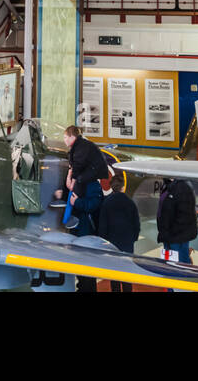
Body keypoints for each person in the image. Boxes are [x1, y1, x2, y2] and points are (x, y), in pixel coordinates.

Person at [55, 125, 110, 290]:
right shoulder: (80, 183)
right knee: (80, 266)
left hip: (87, 232)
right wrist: (63, 195)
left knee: (86, 267)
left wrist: (76, 202)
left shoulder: (92, 185)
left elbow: (93, 205)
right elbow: (72, 194)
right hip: (79, 230)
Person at [97, 178, 141, 292]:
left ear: (112, 187)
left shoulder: (106, 202)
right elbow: (136, 224)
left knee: (114, 273)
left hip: (112, 243)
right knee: (127, 273)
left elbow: (103, 226)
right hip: (127, 243)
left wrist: (104, 242)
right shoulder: (130, 202)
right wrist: (133, 238)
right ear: (123, 187)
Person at [156, 176, 198, 268]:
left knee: (181, 267)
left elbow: (186, 216)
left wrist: (170, 233)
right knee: (169, 265)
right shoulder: (168, 185)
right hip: (168, 236)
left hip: (176, 238)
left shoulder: (182, 188)